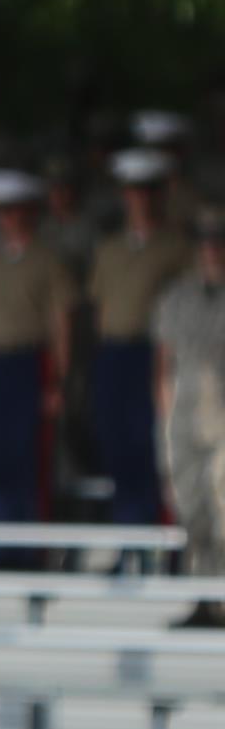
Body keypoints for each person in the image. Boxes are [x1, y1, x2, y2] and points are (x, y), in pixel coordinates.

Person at [0, 174, 74, 525]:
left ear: (29, 213)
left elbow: (61, 324)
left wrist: (57, 381)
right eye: (2, 211)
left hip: (31, 362)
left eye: (14, 211)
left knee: (29, 457)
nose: (7, 220)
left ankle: (31, 547)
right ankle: (2, 546)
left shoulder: (47, 261)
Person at [83, 150, 180, 528]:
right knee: (116, 448)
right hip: (113, 354)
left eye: (148, 190)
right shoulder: (110, 249)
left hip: (154, 354)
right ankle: (128, 540)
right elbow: (98, 308)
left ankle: (156, 542)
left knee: (152, 450)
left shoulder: (177, 248)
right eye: (133, 190)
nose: (140, 199)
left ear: (160, 194)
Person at [156, 211, 225, 579]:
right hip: (183, 416)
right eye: (205, 241)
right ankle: (203, 599)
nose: (212, 249)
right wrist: (164, 420)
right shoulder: (177, 297)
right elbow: (164, 365)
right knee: (190, 510)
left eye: (218, 240)